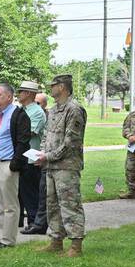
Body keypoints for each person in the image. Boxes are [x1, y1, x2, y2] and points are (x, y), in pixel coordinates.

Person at [35, 74, 87, 256]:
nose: (51, 88)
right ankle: (56, 240)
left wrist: (47, 156)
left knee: (70, 204)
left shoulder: (74, 110)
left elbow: (70, 143)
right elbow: (46, 136)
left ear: (63, 87)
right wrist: (41, 154)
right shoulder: (54, 110)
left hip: (67, 166)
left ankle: (75, 245)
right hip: (51, 165)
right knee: (53, 205)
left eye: (54, 85)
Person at [0, 81, 32, 250]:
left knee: (10, 205)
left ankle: (8, 240)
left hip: (8, 165)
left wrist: (14, 165)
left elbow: (23, 142)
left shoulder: (19, 115)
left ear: (10, 97)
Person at [17, 82, 47, 233]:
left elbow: (30, 133)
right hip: (21, 157)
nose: (18, 94)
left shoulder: (36, 112)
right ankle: (20, 220)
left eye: (21, 91)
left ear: (28, 93)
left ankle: (35, 222)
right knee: (20, 191)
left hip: (32, 157)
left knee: (31, 192)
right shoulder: (22, 110)